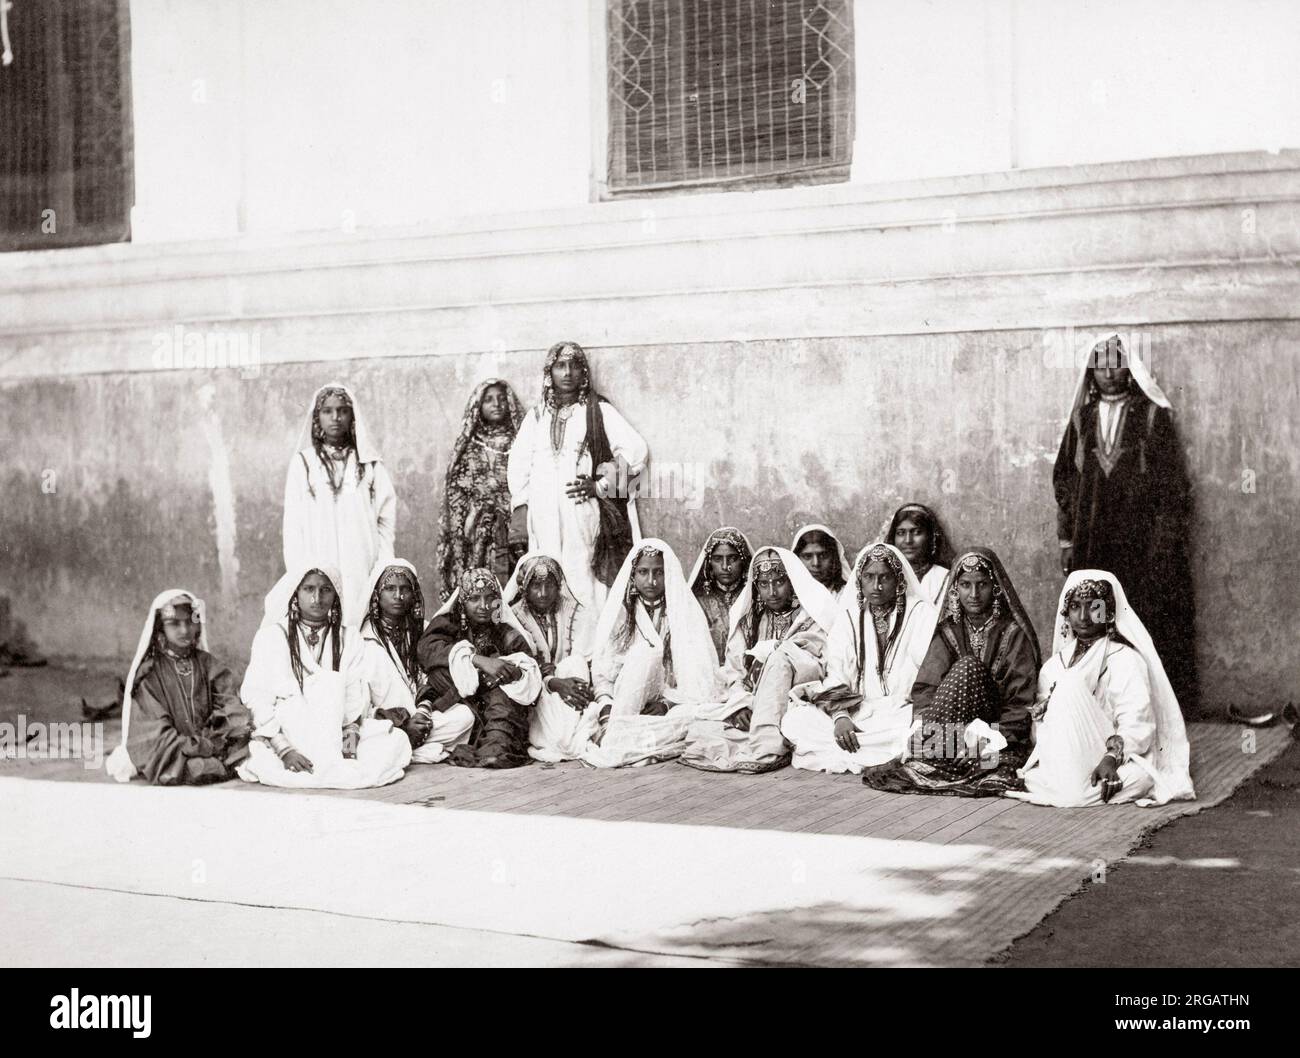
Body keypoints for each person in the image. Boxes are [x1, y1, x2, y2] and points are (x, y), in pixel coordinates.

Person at [1053, 335, 1198, 713]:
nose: (1109, 373)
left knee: (1143, 613)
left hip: (1141, 541)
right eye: (1100, 365)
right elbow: (1065, 478)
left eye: (1117, 363)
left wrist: (1162, 544)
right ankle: (1096, 697)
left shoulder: (1151, 415)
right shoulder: (1082, 418)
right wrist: (1068, 537)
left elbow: (1173, 485)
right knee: (1095, 611)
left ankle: (1150, 705)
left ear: (1131, 368)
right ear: (1091, 371)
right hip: (1093, 540)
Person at [861, 548, 1040, 796]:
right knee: (965, 670)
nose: (974, 594)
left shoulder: (1013, 634)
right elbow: (926, 688)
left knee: (969, 669)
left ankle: (945, 756)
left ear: (995, 587)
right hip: (951, 732)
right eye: (966, 585)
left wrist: (987, 740)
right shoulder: (949, 631)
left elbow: (1021, 702)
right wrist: (929, 730)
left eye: (982, 585)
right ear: (955, 589)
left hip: (997, 732)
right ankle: (939, 752)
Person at [1011, 571, 1194, 807]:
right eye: (1076, 606)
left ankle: (1080, 786)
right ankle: (1078, 787)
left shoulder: (1125, 659)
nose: (1084, 616)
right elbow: (1041, 731)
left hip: (1109, 754)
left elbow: (1136, 721)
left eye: (1094, 606)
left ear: (1108, 611)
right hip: (1068, 755)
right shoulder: (1054, 666)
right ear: (1066, 612)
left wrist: (1110, 758)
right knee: (1066, 686)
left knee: (1141, 776)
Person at [238, 563, 412, 789]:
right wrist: (285, 750)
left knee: (393, 744)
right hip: (291, 733)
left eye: (325, 590)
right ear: (295, 593)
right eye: (309, 589)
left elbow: (353, 705)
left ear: (335, 595)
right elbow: (258, 698)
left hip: (335, 735)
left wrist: (349, 751)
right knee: (266, 759)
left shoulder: (348, 638)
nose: (317, 598)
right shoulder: (271, 637)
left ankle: (333, 765)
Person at [507, 341, 649, 613]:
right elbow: (518, 468)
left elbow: (635, 450)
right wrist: (521, 511)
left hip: (582, 513)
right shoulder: (536, 417)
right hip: (543, 515)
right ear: (550, 372)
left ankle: (591, 646)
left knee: (583, 574)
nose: (568, 372)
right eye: (561, 366)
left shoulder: (597, 410)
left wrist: (600, 486)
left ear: (584, 372)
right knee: (546, 573)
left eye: (574, 366)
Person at [781, 543, 940, 774]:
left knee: (921, 732)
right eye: (869, 577)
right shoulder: (849, 617)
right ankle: (881, 751)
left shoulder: (922, 613)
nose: (876, 586)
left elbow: (927, 673)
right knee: (796, 720)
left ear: (899, 580)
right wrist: (840, 716)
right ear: (859, 580)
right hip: (859, 710)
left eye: (884, 577)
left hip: (903, 711)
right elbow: (836, 670)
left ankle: (873, 749)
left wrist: (911, 712)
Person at [681, 546, 838, 773]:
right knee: (699, 731)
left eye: (779, 582)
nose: (772, 591)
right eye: (764, 584)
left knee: (781, 658)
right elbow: (734, 672)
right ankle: (760, 735)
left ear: (792, 582)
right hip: (754, 703)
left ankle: (768, 750)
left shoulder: (811, 617)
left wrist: (780, 654)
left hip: (797, 701)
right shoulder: (749, 621)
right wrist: (741, 704)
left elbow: (820, 665)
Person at [580, 540, 719, 768]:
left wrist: (667, 704)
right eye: (643, 572)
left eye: (659, 573)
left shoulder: (683, 611)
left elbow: (698, 678)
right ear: (633, 575)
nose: (651, 581)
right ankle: (622, 733)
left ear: (669, 574)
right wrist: (607, 706)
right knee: (646, 654)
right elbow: (604, 673)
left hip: (672, 701)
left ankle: (622, 737)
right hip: (625, 699)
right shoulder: (621, 613)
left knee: (693, 719)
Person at [105, 590, 251, 785]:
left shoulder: (209, 664)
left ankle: (215, 762)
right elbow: (153, 729)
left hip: (213, 744)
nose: (184, 630)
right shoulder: (150, 674)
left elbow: (230, 705)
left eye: (189, 622)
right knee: (196, 768)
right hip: (173, 751)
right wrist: (194, 747)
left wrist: (216, 738)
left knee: (247, 746)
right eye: (174, 624)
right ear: (160, 629)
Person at [282, 383, 397, 624]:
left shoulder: (370, 464)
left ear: (352, 415)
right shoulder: (303, 463)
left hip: (361, 560)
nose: (335, 418)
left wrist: (383, 567)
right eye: (327, 411)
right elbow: (292, 525)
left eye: (343, 411)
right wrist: (299, 571)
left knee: (359, 621)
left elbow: (385, 521)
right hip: (317, 558)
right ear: (317, 417)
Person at [414, 567, 542, 769]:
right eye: (474, 598)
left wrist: (508, 671)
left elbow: (525, 660)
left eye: (490, 599)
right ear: (463, 601)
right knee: (441, 671)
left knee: (505, 687)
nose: (483, 606)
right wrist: (478, 661)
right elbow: (427, 650)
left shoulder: (503, 629)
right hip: (459, 699)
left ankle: (496, 744)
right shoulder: (448, 623)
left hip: (495, 701)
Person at [357, 558, 473, 765]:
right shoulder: (363, 639)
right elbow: (361, 701)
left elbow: (432, 680)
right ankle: (408, 742)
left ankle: (406, 746)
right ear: (377, 595)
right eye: (390, 589)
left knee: (465, 716)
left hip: (423, 716)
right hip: (385, 721)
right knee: (373, 732)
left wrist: (423, 710)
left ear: (414, 595)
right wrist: (400, 722)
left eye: (405, 589)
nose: (398, 596)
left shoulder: (424, 630)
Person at [502, 552, 598, 763]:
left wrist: (567, 682)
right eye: (536, 586)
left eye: (550, 585)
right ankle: (567, 737)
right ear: (524, 588)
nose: (543, 593)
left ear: (559, 585)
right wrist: (553, 683)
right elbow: (522, 666)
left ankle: (568, 733)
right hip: (537, 692)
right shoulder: (513, 618)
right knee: (559, 737)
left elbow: (586, 659)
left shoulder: (577, 611)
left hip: (574, 686)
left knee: (575, 663)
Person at [436, 379, 526, 600]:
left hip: (516, 533)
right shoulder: (468, 449)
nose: (496, 404)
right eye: (488, 399)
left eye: (501, 398)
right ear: (478, 406)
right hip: (479, 538)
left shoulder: (524, 442)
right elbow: (456, 499)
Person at [686, 526, 754, 662]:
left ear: (743, 560)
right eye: (718, 559)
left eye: (732, 558)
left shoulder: (755, 598)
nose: (725, 566)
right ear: (709, 563)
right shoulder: (697, 602)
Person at [885, 502, 951, 606]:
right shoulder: (883, 577)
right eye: (901, 533)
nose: (908, 540)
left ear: (931, 537)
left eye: (916, 532)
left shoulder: (945, 579)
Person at [790, 523, 850, 598]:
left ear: (833, 558)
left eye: (823, 556)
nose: (816, 563)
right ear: (797, 559)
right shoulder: (787, 598)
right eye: (807, 556)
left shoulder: (848, 596)